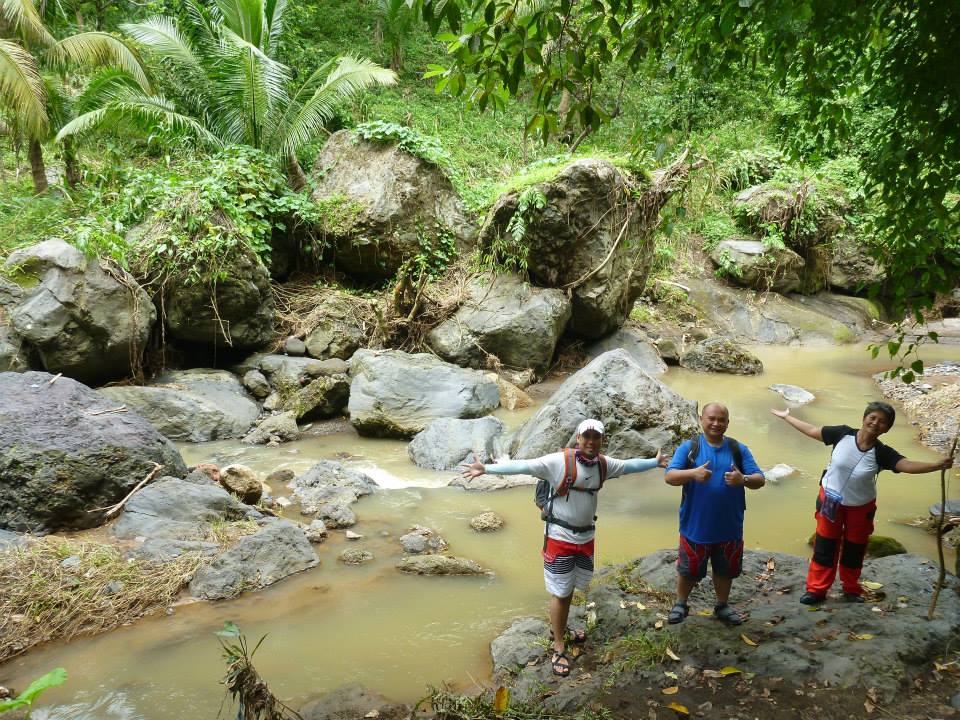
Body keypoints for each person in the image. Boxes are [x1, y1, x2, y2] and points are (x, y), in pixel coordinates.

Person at [460, 418, 666, 678]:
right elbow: (524, 466)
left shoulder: (603, 464)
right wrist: (486, 470)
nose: (591, 442)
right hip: (559, 537)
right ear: (578, 439)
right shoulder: (559, 462)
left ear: (601, 440)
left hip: (586, 537)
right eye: (586, 437)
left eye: (596, 437)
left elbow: (629, 466)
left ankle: (560, 629)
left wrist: (654, 462)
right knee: (560, 591)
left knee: (570, 589)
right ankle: (558, 645)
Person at [771, 401, 954, 604]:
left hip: (860, 507)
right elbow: (813, 430)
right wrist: (787, 416)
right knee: (825, 545)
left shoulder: (882, 452)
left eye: (882, 422)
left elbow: (906, 465)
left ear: (886, 429)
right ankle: (816, 589)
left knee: (855, 548)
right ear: (864, 418)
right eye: (872, 417)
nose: (875, 423)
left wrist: (936, 466)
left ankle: (851, 589)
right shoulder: (842, 434)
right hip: (830, 500)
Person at [664, 403, 765, 626]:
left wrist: (743, 479)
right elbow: (670, 476)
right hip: (695, 524)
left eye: (721, 420)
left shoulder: (739, 449)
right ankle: (681, 603)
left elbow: (760, 479)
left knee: (725, 569)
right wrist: (693, 473)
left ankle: (722, 605)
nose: (716, 424)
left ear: (728, 423)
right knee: (688, 568)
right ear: (701, 419)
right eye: (711, 418)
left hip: (729, 525)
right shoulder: (690, 448)